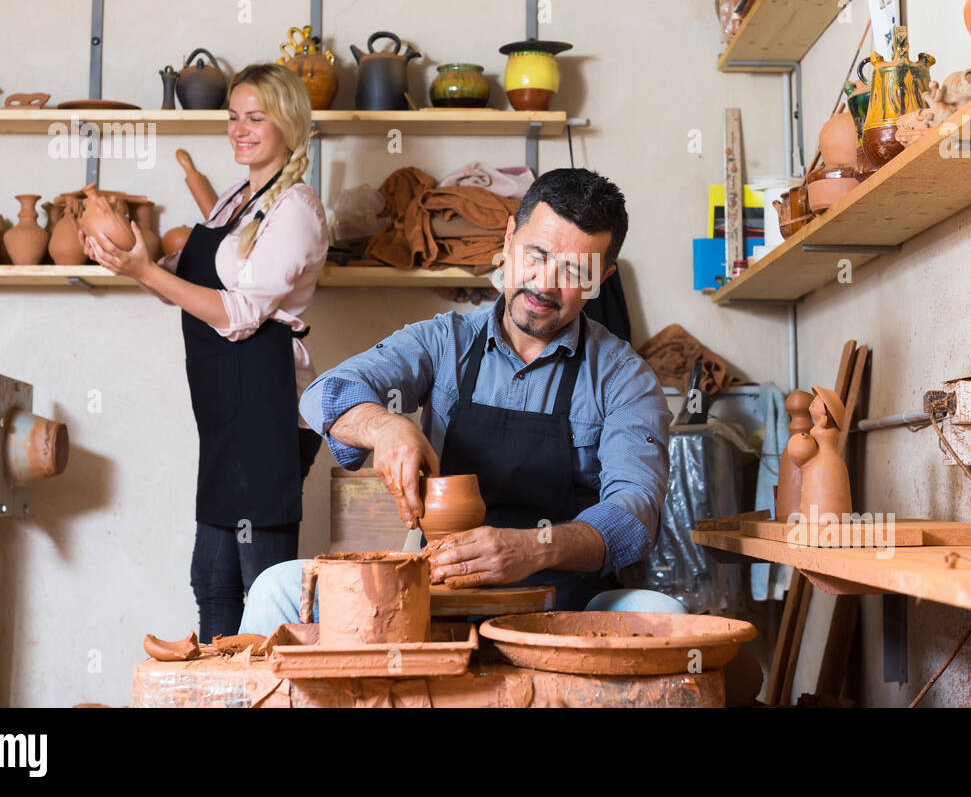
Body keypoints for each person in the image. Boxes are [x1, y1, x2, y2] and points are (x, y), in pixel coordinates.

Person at [240, 168, 678, 635]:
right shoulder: (443, 341)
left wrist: (534, 548)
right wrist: (385, 428)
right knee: (276, 586)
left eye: (574, 271)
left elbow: (635, 512)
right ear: (510, 237)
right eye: (536, 254)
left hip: (564, 606)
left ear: (602, 278)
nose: (544, 285)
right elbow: (325, 393)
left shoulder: (623, 376)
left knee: (665, 615)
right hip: (437, 590)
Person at [83, 63, 330, 640]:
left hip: (270, 411)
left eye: (256, 118)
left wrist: (147, 269)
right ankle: (218, 697)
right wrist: (138, 266)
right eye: (233, 117)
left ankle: (271, 699)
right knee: (211, 582)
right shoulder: (234, 200)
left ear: (289, 124)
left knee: (264, 588)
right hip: (227, 408)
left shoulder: (295, 208)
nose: (240, 130)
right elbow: (191, 294)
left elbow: (242, 316)